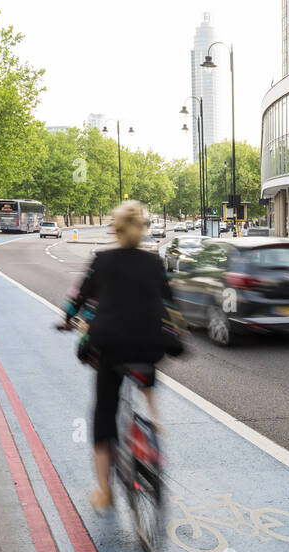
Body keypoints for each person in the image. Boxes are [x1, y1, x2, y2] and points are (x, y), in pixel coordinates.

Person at [63, 200, 183, 509]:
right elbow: (169, 304)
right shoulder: (155, 263)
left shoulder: (102, 261)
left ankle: (105, 493)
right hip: (149, 345)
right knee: (145, 368)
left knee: (104, 416)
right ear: (142, 231)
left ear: (115, 230)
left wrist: (67, 317)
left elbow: (79, 297)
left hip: (110, 349)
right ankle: (154, 424)